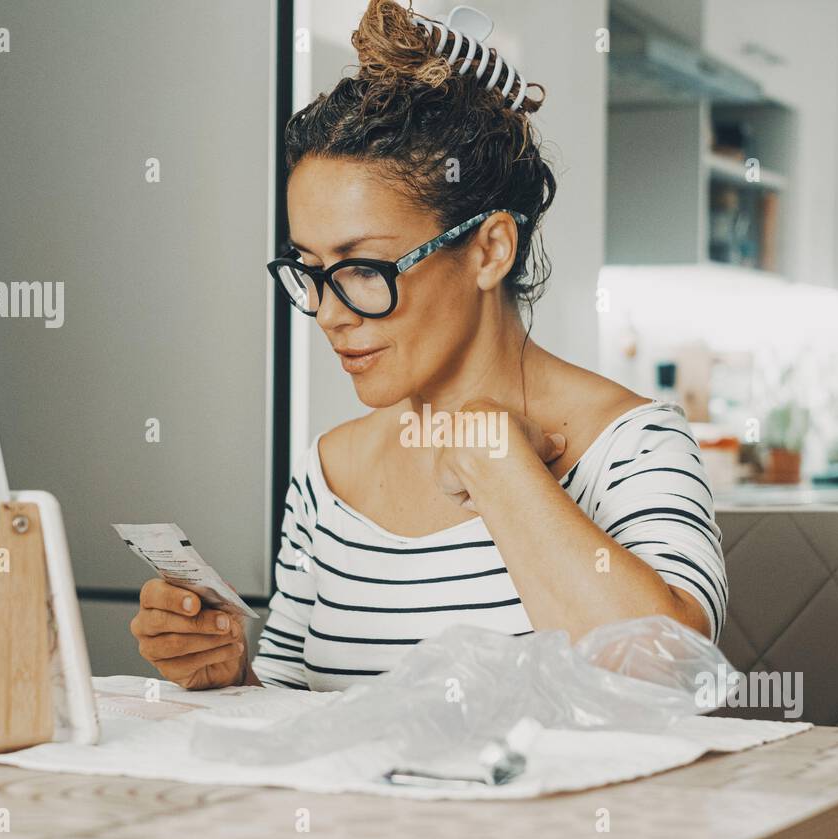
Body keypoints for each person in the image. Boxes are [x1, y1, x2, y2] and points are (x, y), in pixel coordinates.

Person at [131, 0, 727, 691]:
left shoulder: (634, 447)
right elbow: (295, 718)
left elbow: (674, 679)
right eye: (310, 271)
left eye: (364, 268)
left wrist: (498, 462)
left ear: (489, 250)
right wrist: (225, 676)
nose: (328, 313)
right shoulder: (327, 474)